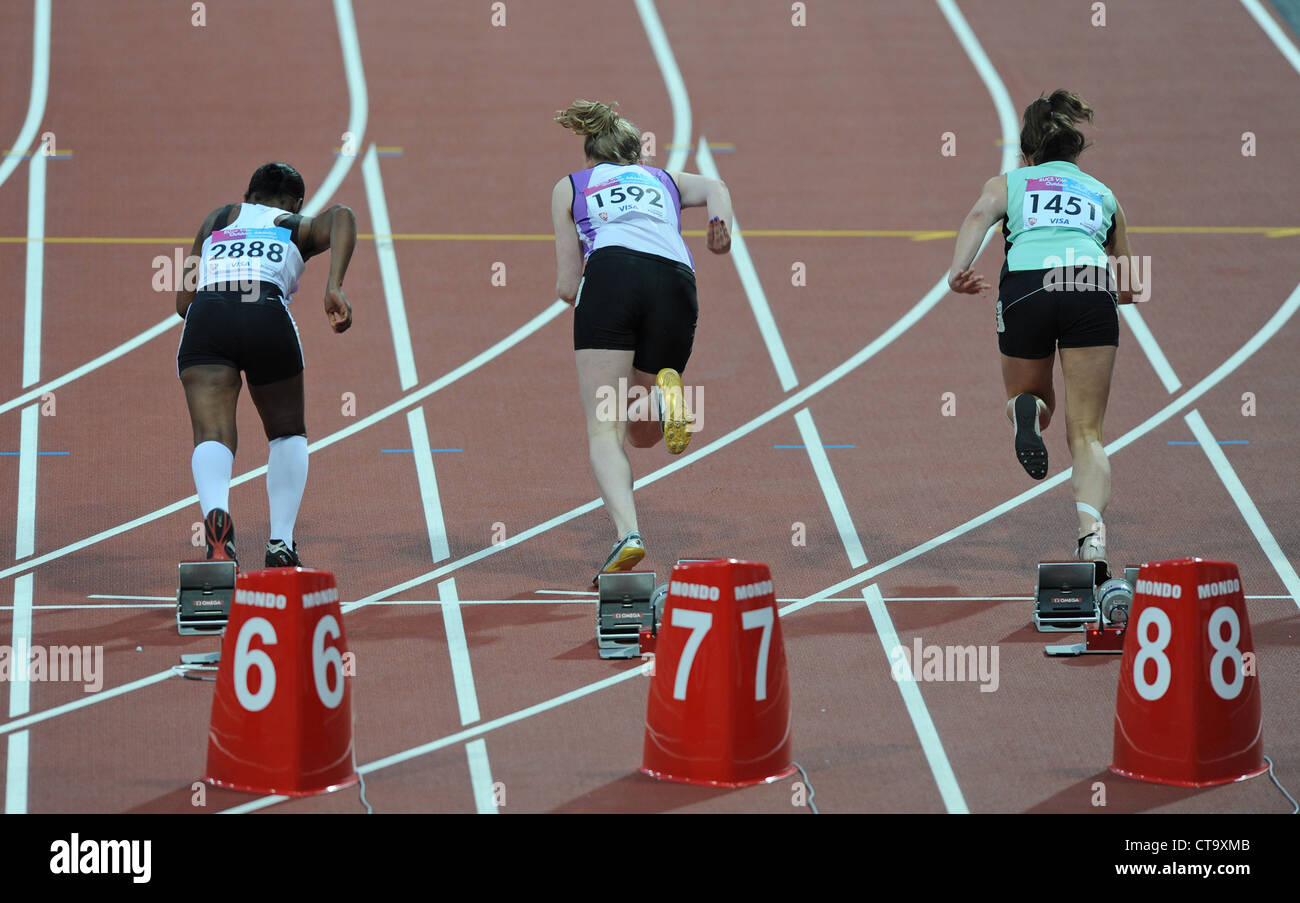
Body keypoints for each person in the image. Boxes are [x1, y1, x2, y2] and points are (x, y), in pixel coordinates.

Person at [947, 90, 1141, 562]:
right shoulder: (1103, 194)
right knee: (1087, 433)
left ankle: (1028, 409)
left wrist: (958, 270)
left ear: (1026, 153)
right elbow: (1132, 286)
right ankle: (1092, 539)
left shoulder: (1008, 183)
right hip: (1090, 286)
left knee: (1029, 399)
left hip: (1028, 287)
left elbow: (977, 217)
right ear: (1076, 154)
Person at [551, 100, 733, 584]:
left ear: (591, 156)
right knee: (642, 431)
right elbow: (716, 185)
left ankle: (628, 534)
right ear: (636, 158)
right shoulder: (665, 181)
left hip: (611, 276)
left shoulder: (572, 186)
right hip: (676, 280)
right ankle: (661, 394)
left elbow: (569, 286)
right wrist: (720, 226)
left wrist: (594, 309)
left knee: (605, 429)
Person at [175, 162, 356, 568]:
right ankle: (280, 544)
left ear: (248, 195)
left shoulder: (217, 219)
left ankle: (217, 522)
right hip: (265, 313)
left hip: (207, 316)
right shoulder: (292, 225)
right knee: (287, 431)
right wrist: (334, 286)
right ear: (294, 203)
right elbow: (343, 216)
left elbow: (183, 302)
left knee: (212, 433)